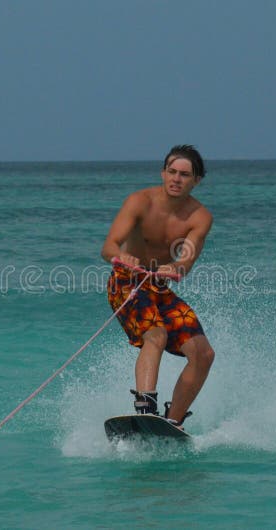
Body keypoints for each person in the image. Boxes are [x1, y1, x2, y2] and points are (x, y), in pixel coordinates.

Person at [101, 145, 214, 428]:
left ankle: (171, 423)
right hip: (126, 282)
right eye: (172, 172)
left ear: (196, 180)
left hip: (158, 287)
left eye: (185, 175)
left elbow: (186, 260)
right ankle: (145, 409)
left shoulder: (200, 217)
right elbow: (108, 247)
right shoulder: (139, 201)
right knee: (156, 334)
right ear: (163, 173)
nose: (176, 179)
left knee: (203, 353)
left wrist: (176, 268)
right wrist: (121, 256)